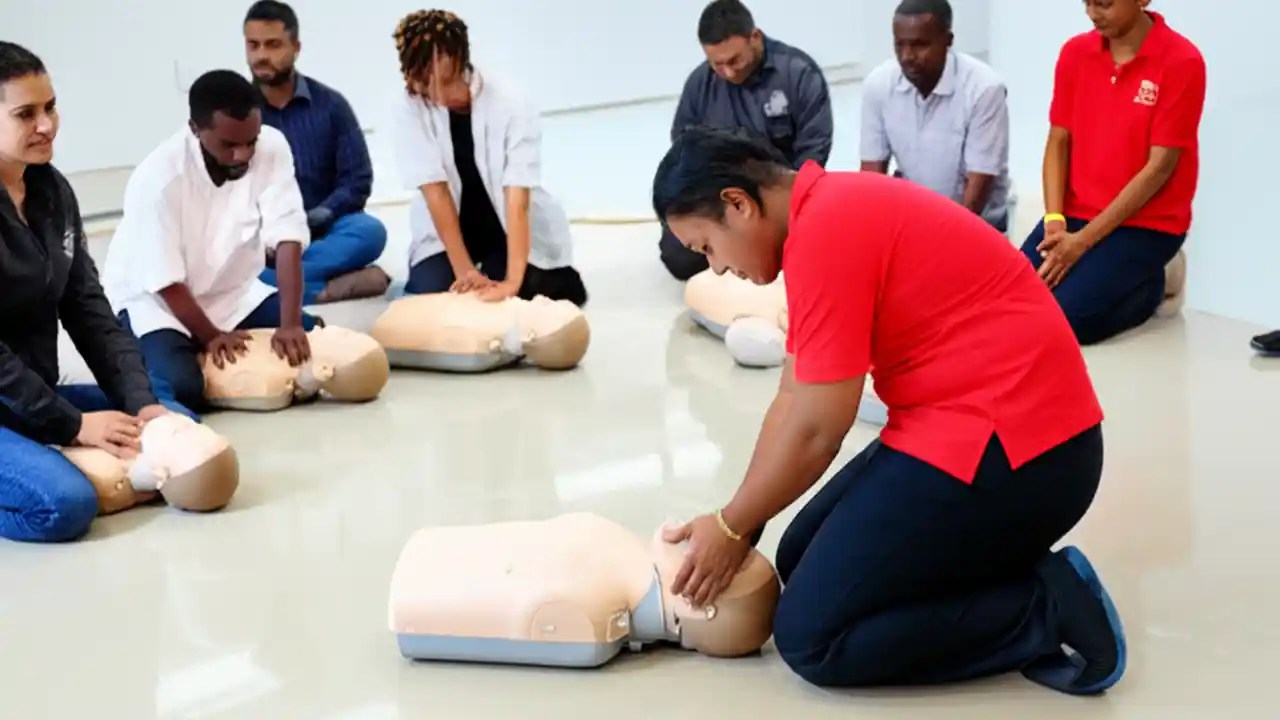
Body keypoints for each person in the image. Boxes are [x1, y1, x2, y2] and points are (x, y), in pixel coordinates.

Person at [654, 127, 1124, 695]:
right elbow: (792, 400)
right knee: (798, 557)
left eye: (706, 246)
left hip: (1024, 451)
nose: (717, 268)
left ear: (738, 203)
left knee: (812, 637)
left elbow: (819, 428)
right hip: (964, 425)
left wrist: (730, 527)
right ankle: (1006, 570)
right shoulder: (820, 215)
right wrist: (741, 521)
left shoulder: (827, 229)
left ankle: (1045, 609)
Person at [0, 43, 186, 543]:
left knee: (175, 421)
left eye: (50, 107)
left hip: (31, 399)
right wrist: (73, 426)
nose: (47, 125)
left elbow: (87, 307)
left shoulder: (52, 190)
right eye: (26, 114)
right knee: (63, 506)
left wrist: (140, 401)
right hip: (18, 399)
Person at [103, 69, 319, 415]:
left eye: (250, 141)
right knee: (181, 387)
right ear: (194, 129)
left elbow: (288, 237)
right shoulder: (157, 179)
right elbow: (164, 280)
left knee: (311, 335)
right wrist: (212, 336)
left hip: (230, 293)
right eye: (229, 145)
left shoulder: (272, 145)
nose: (243, 155)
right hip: (156, 303)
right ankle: (151, 358)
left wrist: (291, 323)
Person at [1021, 1, 1204, 345]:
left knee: (1064, 322)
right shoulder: (1075, 53)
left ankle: (1157, 281)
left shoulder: (1182, 61)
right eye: (1086, 2)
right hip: (1075, 215)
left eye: (1104, 3)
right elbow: (1058, 141)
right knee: (1006, 298)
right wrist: (1055, 220)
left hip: (1147, 224)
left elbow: (1159, 168)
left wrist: (1082, 243)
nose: (1092, 12)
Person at [389, 9, 587, 307]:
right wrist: (465, 273)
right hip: (451, 227)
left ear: (462, 63)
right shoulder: (407, 107)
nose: (439, 95)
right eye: (425, 84)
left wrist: (511, 282)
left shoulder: (511, 101)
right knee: (434, 294)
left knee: (518, 292)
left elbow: (517, 196)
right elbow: (436, 193)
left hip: (503, 222)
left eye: (447, 81)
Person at [661, 0, 833, 280]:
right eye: (717, 65)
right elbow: (684, 152)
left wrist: (773, 209)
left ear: (755, 37)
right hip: (722, 202)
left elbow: (814, 151)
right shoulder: (699, 85)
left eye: (734, 60)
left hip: (778, 199)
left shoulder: (798, 73)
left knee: (814, 247)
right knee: (679, 255)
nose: (728, 73)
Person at [244, 0, 390, 305]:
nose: (261, 56)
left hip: (324, 231)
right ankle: (324, 290)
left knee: (370, 231)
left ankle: (277, 286)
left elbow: (357, 179)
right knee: (235, 261)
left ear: (296, 47)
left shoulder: (330, 105)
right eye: (253, 45)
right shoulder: (238, 112)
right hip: (264, 239)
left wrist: (318, 217)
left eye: (272, 45)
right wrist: (274, 235)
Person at [860, 0, 1012, 231]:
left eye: (920, 45)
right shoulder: (879, 85)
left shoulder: (984, 89)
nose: (907, 56)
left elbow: (976, 195)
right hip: (912, 222)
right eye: (899, 45)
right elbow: (872, 180)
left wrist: (934, 245)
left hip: (981, 226)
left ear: (948, 41)